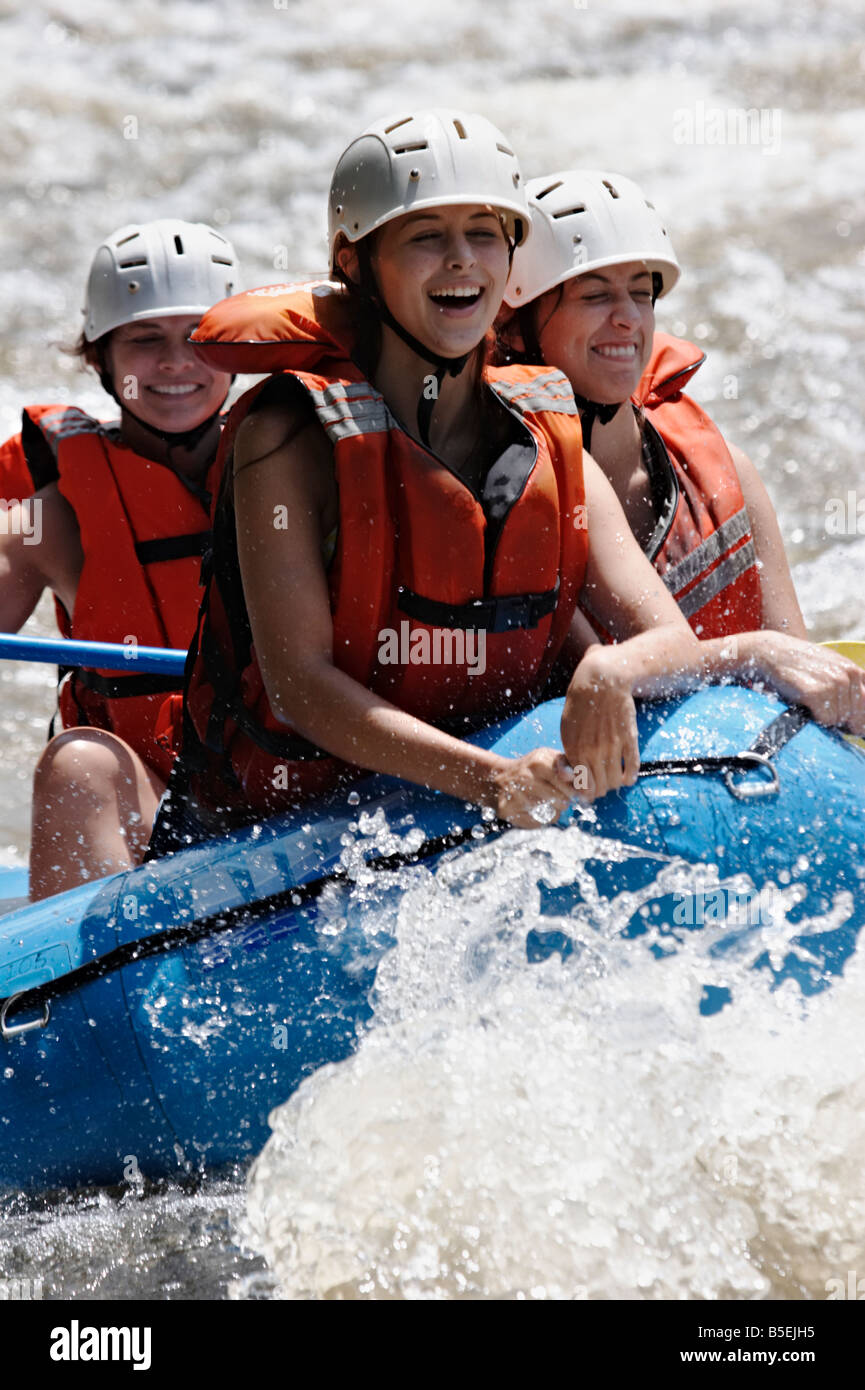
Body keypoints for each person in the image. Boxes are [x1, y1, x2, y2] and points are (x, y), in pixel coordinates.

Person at [146, 107, 754, 859]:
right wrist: (489, 781)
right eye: (427, 237)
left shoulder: (548, 432)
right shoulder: (287, 438)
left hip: (480, 800)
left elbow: (669, 641)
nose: (462, 259)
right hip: (267, 837)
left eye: (484, 233)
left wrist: (609, 668)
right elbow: (301, 688)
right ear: (354, 261)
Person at [498, 169, 865, 722]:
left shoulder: (726, 473)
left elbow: (801, 664)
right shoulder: (511, 495)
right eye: (595, 294)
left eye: (640, 294)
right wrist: (753, 655)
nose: (627, 317)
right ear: (519, 328)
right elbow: (598, 671)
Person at [0, 219, 240, 899]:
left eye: (198, 338)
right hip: (156, 803)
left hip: (290, 787)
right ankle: (83, 993)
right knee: (79, 765)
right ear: (99, 358)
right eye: (144, 341)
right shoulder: (58, 514)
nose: (174, 363)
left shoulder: (299, 469)